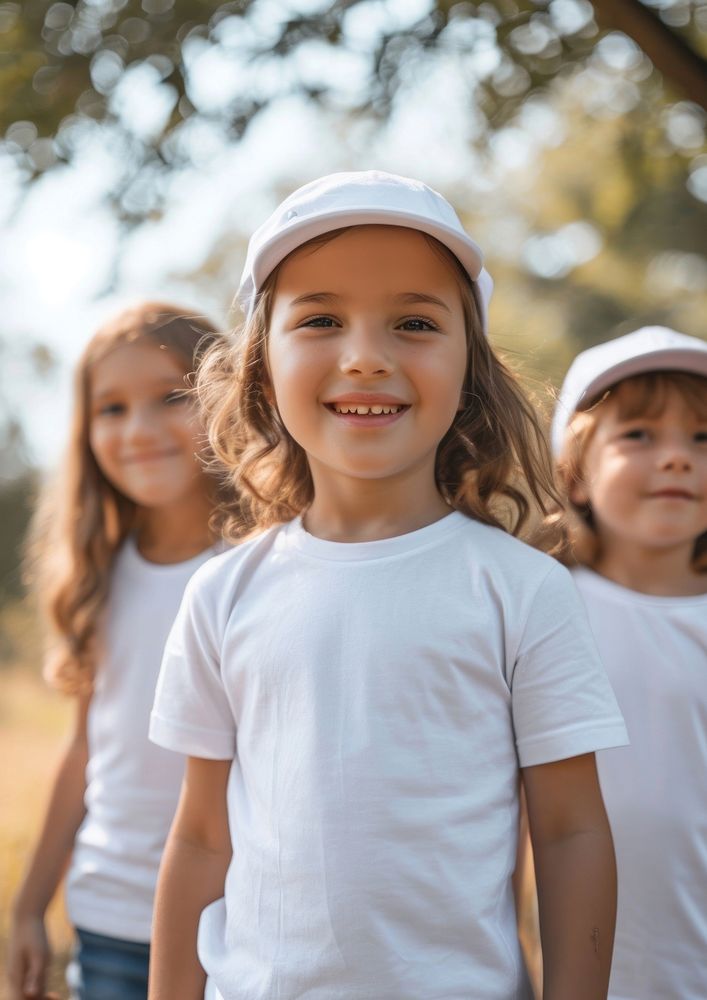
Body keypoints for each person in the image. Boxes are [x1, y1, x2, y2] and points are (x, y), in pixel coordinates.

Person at [148, 171, 628, 1000]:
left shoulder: (522, 592)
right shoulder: (222, 596)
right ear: (262, 371)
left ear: (469, 370)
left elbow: (571, 830)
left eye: (413, 322)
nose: (365, 356)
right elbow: (198, 839)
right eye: (321, 320)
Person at [8, 303, 227, 1000]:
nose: (139, 430)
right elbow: (83, 753)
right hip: (109, 924)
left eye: (171, 398)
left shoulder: (262, 567)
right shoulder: (95, 577)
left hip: (235, 917)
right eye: (111, 408)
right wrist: (27, 905)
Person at [550, 326, 707, 1000]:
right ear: (575, 474)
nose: (676, 459)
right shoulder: (542, 610)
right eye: (638, 435)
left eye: (702, 439)